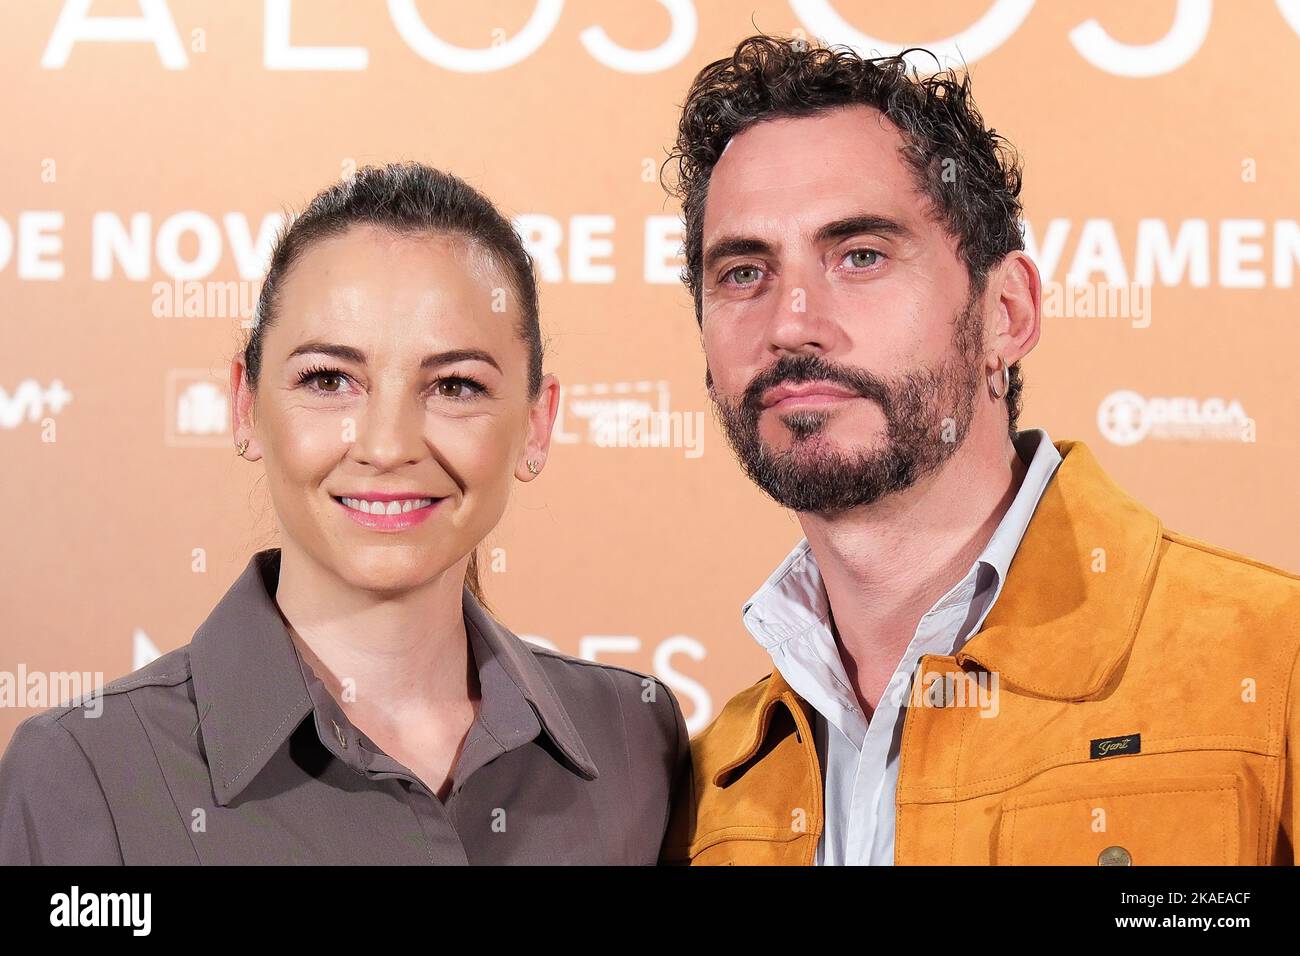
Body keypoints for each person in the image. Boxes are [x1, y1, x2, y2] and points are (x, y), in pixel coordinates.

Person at [659, 34, 1300, 866]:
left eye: (860, 256)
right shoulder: (708, 791)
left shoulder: (1271, 658)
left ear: (1006, 312)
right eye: (744, 272)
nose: (790, 323)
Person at [0, 162, 688, 864]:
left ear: (536, 425)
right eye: (328, 380)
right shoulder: (86, 773)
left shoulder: (634, 740)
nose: (387, 446)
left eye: (455, 385)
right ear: (246, 405)